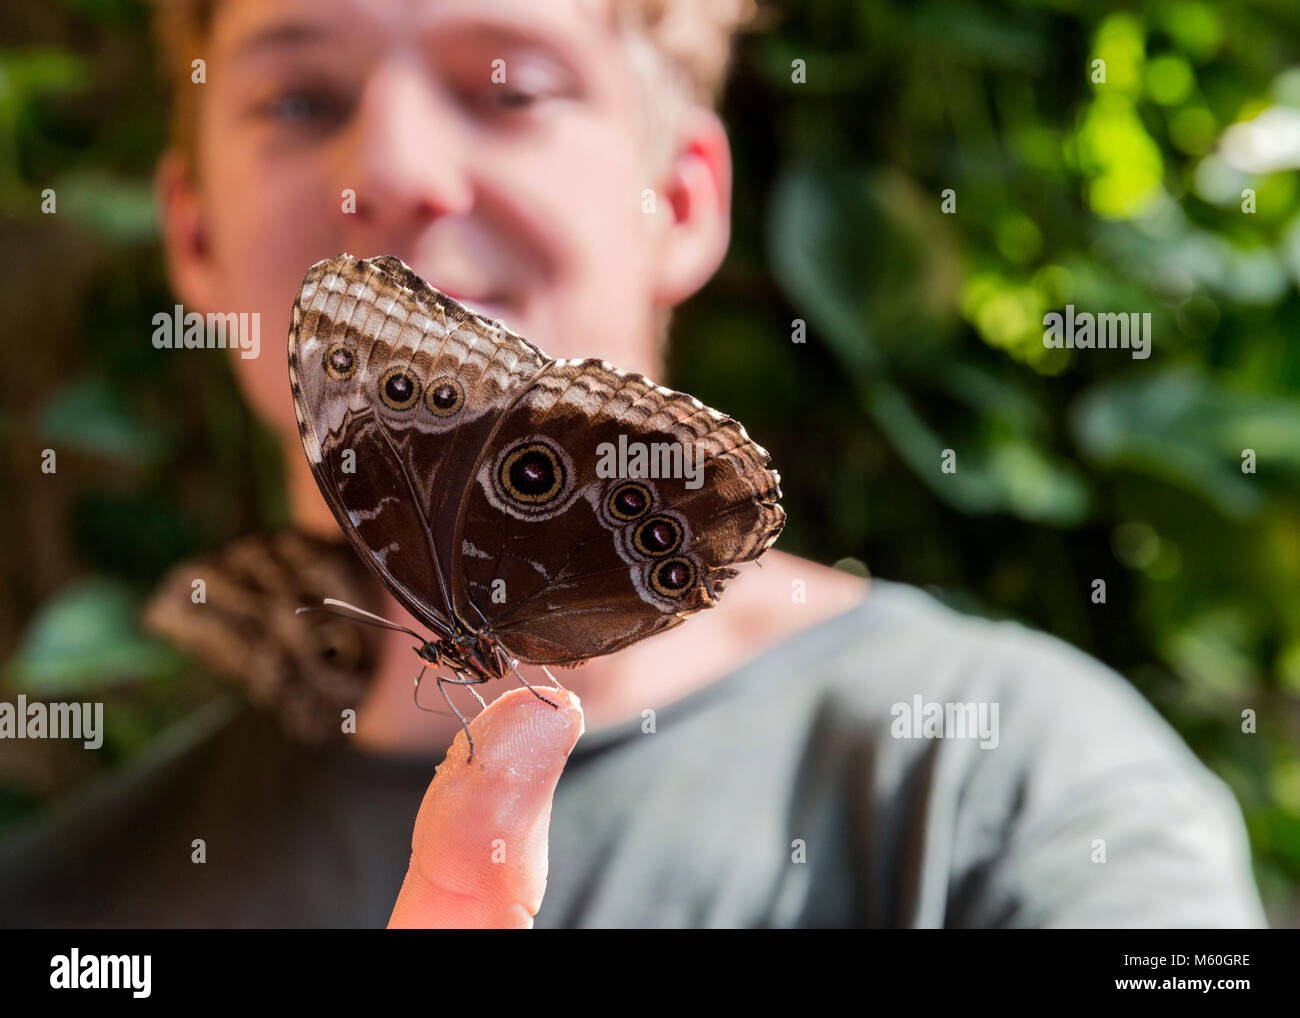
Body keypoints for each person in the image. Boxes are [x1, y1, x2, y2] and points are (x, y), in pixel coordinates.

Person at [0, 0, 1267, 928]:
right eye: (299, 100)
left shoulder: (1014, 783)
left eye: (508, 88)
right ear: (191, 236)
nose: (389, 169)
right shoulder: (67, 909)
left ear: (687, 192)